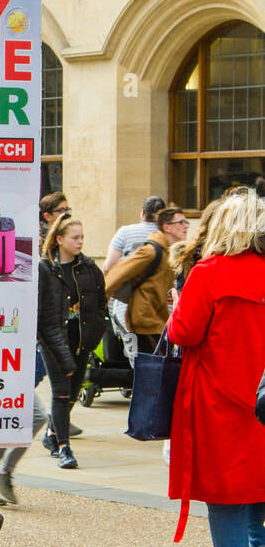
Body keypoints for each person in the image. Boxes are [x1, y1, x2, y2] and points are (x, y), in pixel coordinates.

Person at [166, 189, 265, 547]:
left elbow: (184, 333)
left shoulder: (209, 272)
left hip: (219, 398)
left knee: (226, 497)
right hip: (262, 397)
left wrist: (173, 312)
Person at [37, 214, 107, 470]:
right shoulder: (44, 269)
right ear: (59, 239)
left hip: (81, 339)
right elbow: (40, 312)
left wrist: (96, 329)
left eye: (82, 237)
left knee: (73, 394)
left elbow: (101, 303)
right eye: (74, 237)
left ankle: (52, 434)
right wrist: (48, 339)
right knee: (61, 392)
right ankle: (64, 447)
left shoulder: (88, 268)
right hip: (54, 340)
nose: (80, 242)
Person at [104, 206, 189, 354]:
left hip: (157, 319)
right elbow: (115, 275)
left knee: (154, 368)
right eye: (181, 222)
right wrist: (97, 306)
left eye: (186, 222)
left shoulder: (168, 251)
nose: (186, 226)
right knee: (152, 368)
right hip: (144, 320)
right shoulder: (151, 251)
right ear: (167, 227)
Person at [103, 195, 165, 365]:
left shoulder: (125, 232)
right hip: (160, 305)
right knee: (160, 351)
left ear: (142, 212)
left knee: (136, 355)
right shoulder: (167, 238)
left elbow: (109, 267)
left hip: (127, 303)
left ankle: (139, 384)